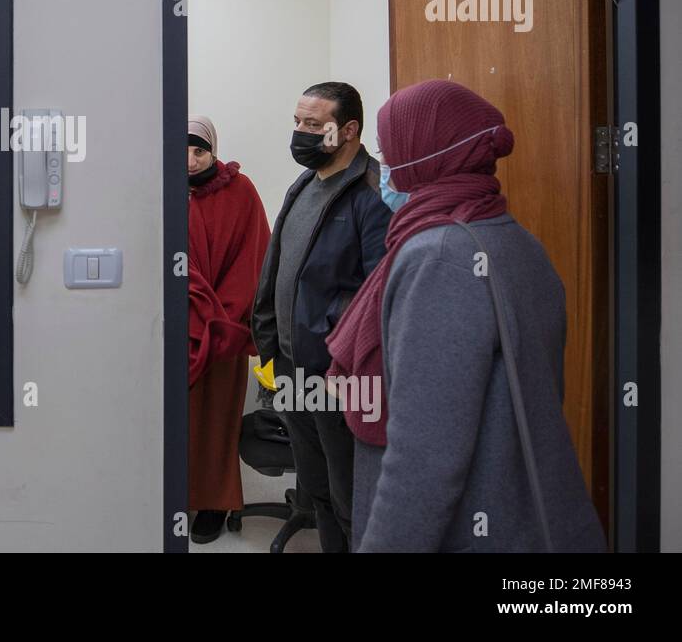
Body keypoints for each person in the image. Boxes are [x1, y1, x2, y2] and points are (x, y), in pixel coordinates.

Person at [327, 79, 605, 552]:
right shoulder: (513, 238)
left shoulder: (439, 256)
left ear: (424, 153)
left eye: (389, 151)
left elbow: (424, 458)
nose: (384, 168)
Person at [250, 82, 391, 552]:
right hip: (292, 367)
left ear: (349, 130)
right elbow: (280, 267)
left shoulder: (372, 193)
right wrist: (270, 343)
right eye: (298, 122)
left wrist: (334, 347)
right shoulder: (306, 183)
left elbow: (378, 291)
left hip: (337, 375)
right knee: (320, 493)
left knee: (352, 495)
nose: (301, 133)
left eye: (314, 125)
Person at [187, 116, 271, 543]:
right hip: (175, 330)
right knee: (175, 420)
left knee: (218, 420)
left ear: (213, 151)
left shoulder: (241, 191)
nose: (189, 159)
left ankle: (215, 502)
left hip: (224, 329)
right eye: (181, 150)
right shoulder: (160, 187)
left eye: (199, 150)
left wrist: (220, 318)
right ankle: (175, 495)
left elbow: (255, 259)